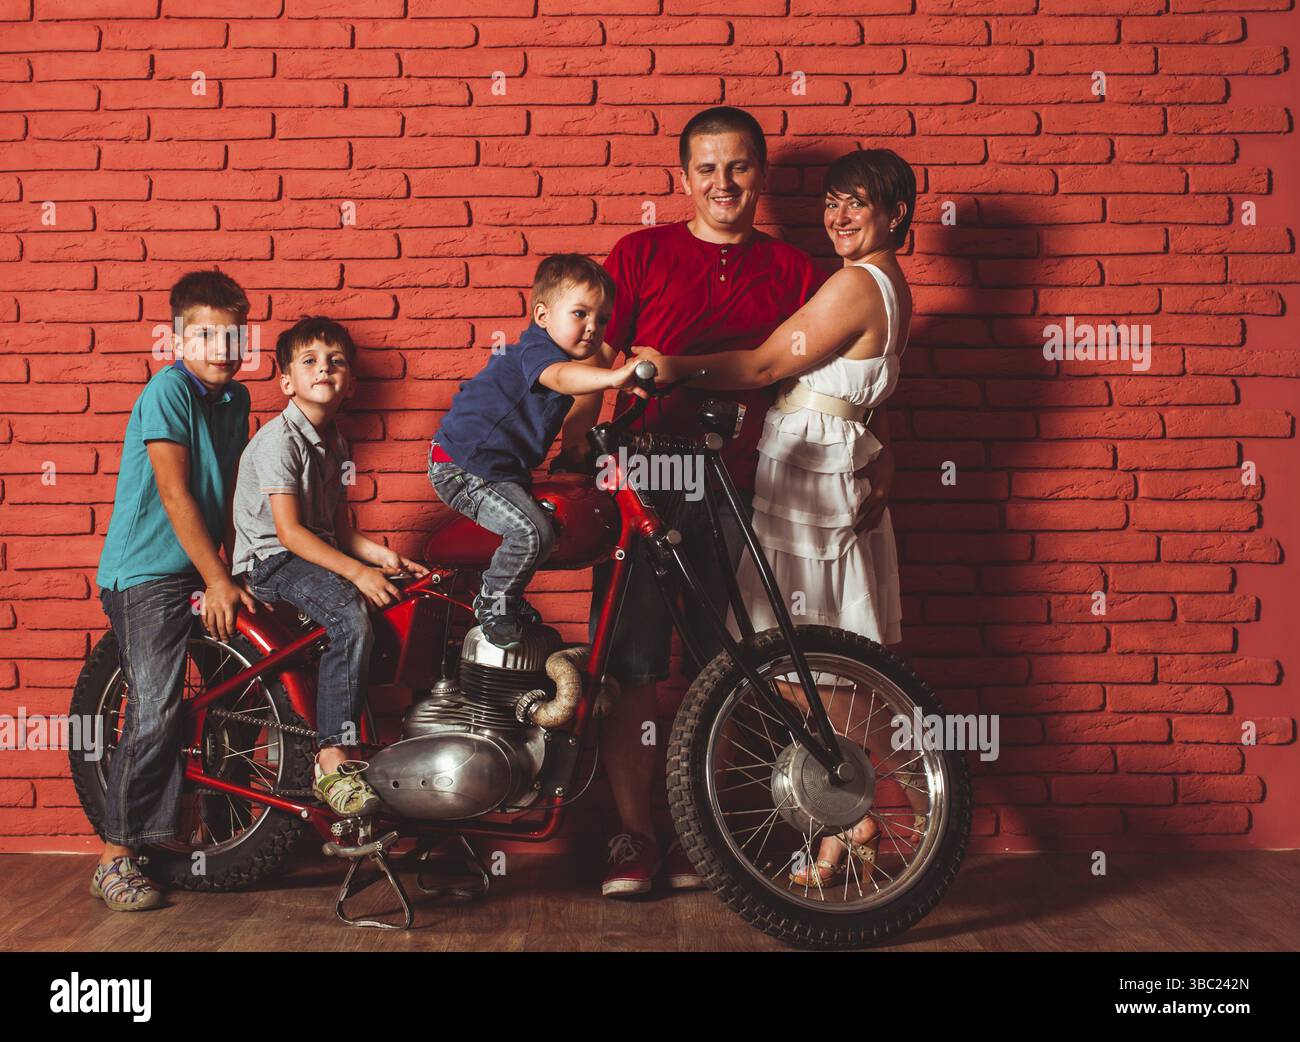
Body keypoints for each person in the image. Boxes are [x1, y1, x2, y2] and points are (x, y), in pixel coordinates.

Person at [552, 108, 898, 897]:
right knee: (634, 667)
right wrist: (573, 439)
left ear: (761, 175)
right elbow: (599, 358)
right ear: (683, 177)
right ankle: (633, 840)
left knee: (729, 673)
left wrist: (889, 454)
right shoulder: (640, 252)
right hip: (643, 477)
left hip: (742, 488)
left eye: (738, 167)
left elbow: (843, 374)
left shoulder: (800, 270)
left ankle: (700, 836)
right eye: (706, 169)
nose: (723, 184)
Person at [633, 148, 924, 887]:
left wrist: (677, 365)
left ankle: (864, 806)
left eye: (859, 203)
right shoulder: (888, 285)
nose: (840, 216)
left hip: (809, 483)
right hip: (818, 469)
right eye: (833, 202)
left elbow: (764, 367)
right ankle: (845, 832)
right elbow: (865, 391)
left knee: (786, 655)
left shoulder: (858, 282)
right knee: (814, 654)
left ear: (896, 214)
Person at [91, 269, 258, 911]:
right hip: (148, 574)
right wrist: (215, 576)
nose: (220, 347)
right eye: (205, 335)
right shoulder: (168, 391)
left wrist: (235, 569)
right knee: (158, 707)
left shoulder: (237, 401)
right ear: (179, 340)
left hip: (203, 567)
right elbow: (174, 491)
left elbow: (233, 493)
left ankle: (217, 828)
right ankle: (115, 858)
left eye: (231, 335)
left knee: (232, 696)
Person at [232, 316, 427, 817]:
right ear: (286, 381)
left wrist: (384, 559)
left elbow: (337, 531)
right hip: (272, 562)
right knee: (348, 614)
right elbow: (291, 533)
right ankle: (331, 755)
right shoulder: (281, 440)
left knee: (412, 600)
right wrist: (358, 575)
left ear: (350, 382)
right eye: (310, 361)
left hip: (309, 555)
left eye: (336, 362)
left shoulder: (334, 443)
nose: (324, 369)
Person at [427, 254, 649, 648]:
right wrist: (615, 376)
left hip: (499, 471)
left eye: (601, 320)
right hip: (464, 467)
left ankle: (508, 596)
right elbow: (562, 378)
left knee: (549, 524)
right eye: (580, 313)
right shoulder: (537, 351)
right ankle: (494, 603)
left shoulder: (562, 358)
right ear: (543, 315)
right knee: (531, 532)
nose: (593, 328)